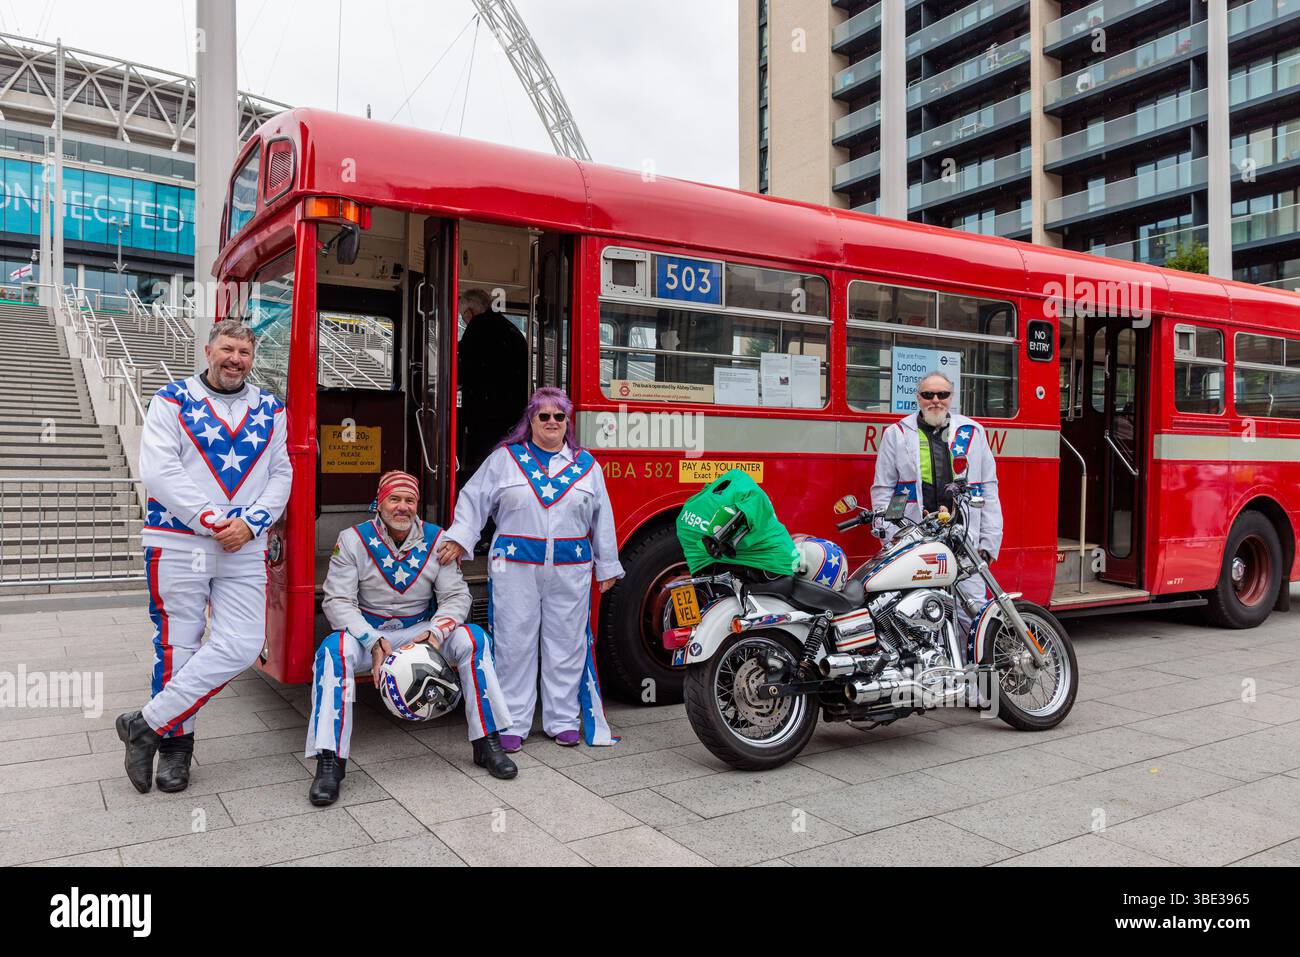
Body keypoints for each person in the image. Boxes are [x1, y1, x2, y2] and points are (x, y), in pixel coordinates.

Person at [117, 319, 292, 794]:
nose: (236, 359)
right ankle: (176, 750)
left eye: (244, 352)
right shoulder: (171, 400)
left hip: (245, 544)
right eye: (227, 349)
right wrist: (214, 520)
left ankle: (145, 724)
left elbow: (281, 473)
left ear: (252, 358)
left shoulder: (272, 407)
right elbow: (159, 470)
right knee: (179, 646)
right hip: (180, 541)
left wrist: (252, 523)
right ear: (209, 350)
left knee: (243, 643)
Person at [306, 470, 516, 805]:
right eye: (394, 499)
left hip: (421, 631)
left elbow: (456, 597)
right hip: (370, 634)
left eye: (409, 500)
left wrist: (434, 635)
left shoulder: (438, 539)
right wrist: (371, 641)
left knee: (474, 639)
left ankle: (487, 742)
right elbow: (337, 601)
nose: (402, 507)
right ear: (379, 503)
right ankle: (330, 761)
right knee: (333, 651)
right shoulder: (352, 539)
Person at [437, 387, 622, 751]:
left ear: (567, 422)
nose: (552, 422)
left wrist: (607, 565)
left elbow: (602, 518)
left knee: (566, 644)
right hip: (514, 568)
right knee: (513, 643)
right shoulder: (505, 459)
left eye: (559, 416)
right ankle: (513, 722)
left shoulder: (587, 466)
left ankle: (562, 720)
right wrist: (460, 537)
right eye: (544, 416)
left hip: (570, 568)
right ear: (531, 420)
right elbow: (473, 499)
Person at [870, 370, 1003, 637]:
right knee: (922, 613)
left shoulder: (972, 432)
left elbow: (988, 488)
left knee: (973, 614)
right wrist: (890, 538)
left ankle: (974, 665)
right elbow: (883, 489)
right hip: (916, 540)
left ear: (951, 397)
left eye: (942, 394)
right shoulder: (897, 433)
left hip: (963, 540)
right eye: (928, 394)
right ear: (918, 398)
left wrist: (989, 543)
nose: (935, 400)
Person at [457, 288, 528, 483]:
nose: (465, 321)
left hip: (485, 415)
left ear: (470, 312)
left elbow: (463, 370)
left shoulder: (477, 327)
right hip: (514, 416)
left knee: (484, 467)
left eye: (463, 317)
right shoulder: (512, 330)